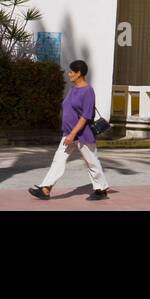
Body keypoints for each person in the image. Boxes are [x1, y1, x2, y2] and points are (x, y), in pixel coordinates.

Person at [29, 59, 111, 201]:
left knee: (92, 161)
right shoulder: (74, 89)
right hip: (69, 133)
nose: (69, 74)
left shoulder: (88, 91)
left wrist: (73, 133)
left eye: (71, 72)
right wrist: (69, 133)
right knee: (58, 160)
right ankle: (45, 188)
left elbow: (85, 115)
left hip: (82, 134)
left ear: (79, 73)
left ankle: (101, 189)